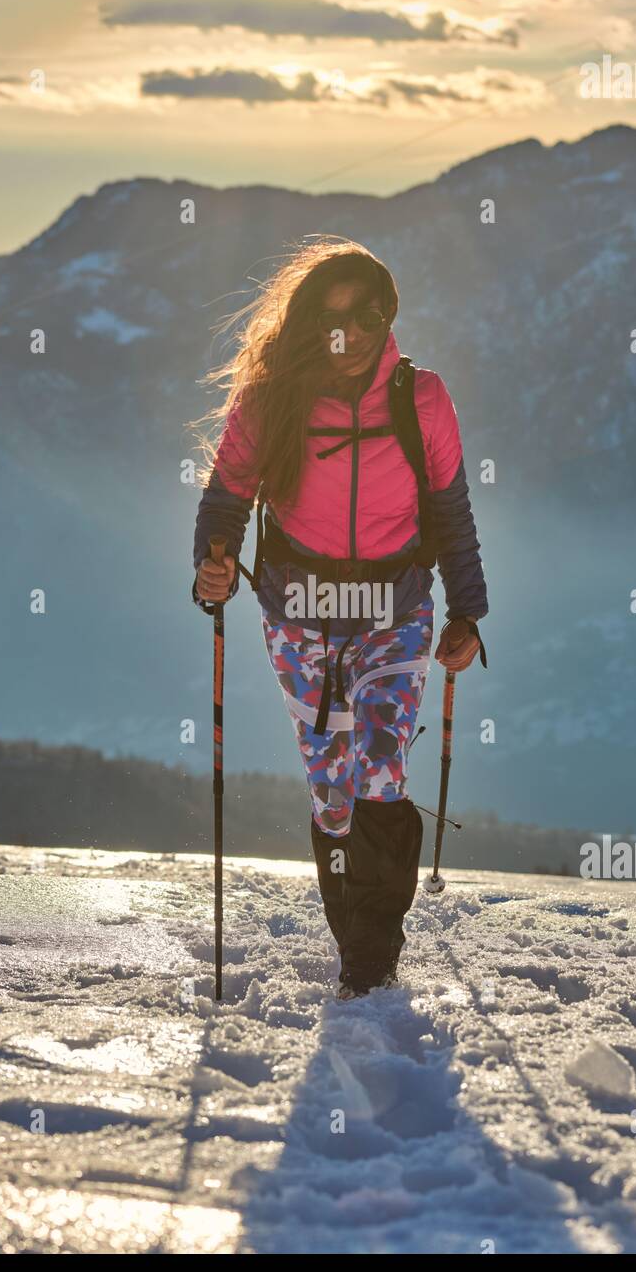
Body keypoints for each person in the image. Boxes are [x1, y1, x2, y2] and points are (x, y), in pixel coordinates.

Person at [192, 238, 488, 998]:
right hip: (300, 615)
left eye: (368, 315)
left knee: (381, 766)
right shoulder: (269, 400)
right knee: (331, 789)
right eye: (333, 320)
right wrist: (213, 563)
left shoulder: (421, 399)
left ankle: (370, 950)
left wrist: (468, 612)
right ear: (307, 328)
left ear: (388, 314)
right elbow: (225, 499)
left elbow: (451, 512)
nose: (351, 334)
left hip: (395, 610)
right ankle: (353, 933)